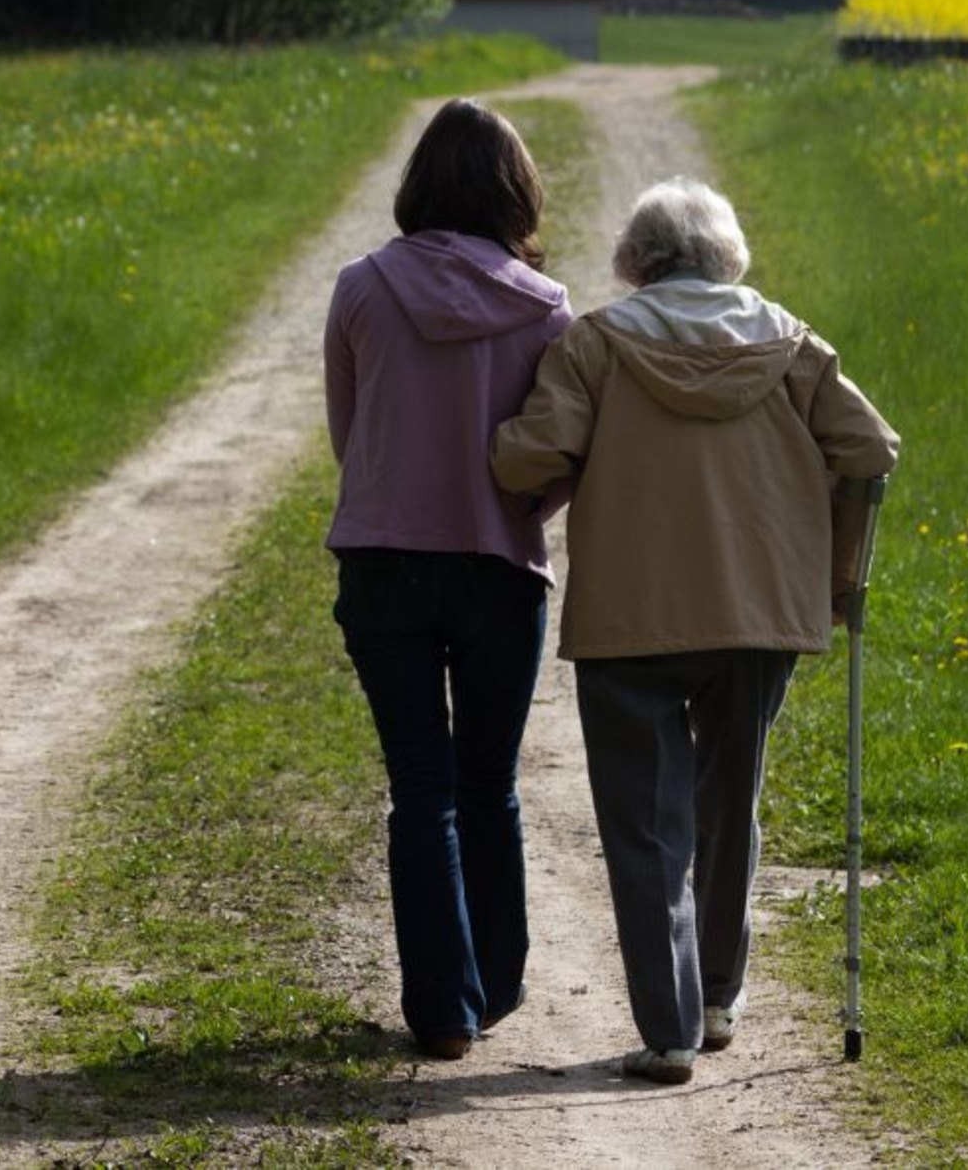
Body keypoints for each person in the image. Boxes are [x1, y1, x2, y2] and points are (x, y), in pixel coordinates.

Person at [491, 177, 900, 1085]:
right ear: (727, 257)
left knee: (645, 826)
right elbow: (871, 451)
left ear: (635, 262)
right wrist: (837, 581)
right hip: (756, 614)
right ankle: (719, 995)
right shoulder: (792, 345)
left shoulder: (596, 343)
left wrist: (490, 436)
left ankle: (670, 1028)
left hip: (627, 617)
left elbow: (530, 456)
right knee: (729, 803)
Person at [324, 98, 572, 1060]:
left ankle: (442, 1009)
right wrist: (515, 513)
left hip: (383, 563)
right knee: (490, 785)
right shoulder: (548, 309)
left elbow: (351, 439)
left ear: (418, 184)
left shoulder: (359, 286)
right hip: (501, 569)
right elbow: (556, 460)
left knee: (419, 787)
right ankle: (496, 980)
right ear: (516, 191)